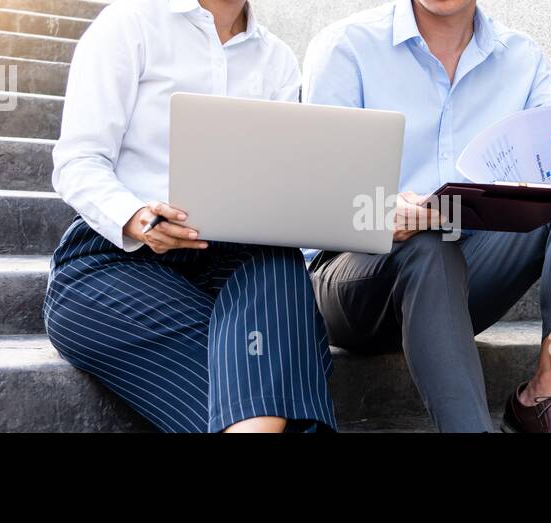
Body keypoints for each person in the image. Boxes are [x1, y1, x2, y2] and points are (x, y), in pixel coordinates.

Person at [302, 0, 551, 433]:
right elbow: (311, 194)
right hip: (352, 280)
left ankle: (545, 394)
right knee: (426, 246)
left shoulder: (519, 57)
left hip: (459, 277)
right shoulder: (346, 48)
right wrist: (376, 213)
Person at [44, 0, 336, 433]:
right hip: (115, 258)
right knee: (283, 381)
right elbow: (78, 160)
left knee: (278, 262)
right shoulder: (130, 23)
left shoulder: (277, 59)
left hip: (237, 259)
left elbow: (282, 180)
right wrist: (138, 217)